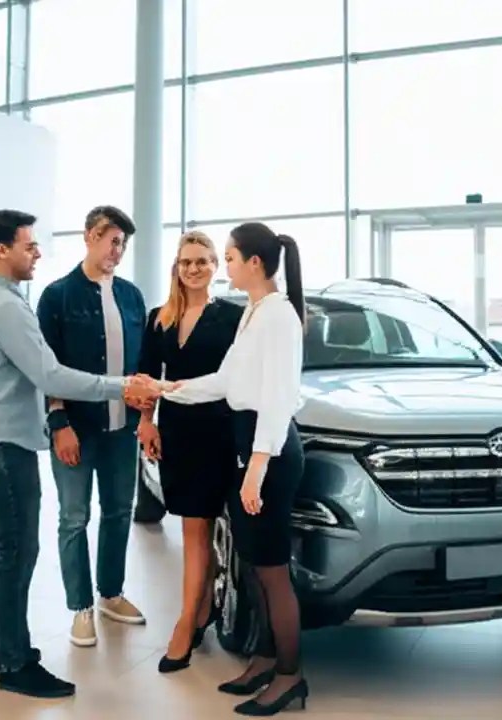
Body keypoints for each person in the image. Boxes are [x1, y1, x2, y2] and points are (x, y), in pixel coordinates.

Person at [0, 209, 163, 699]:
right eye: (28, 245)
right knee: (16, 554)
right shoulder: (9, 306)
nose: (37, 253)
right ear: (1, 250)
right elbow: (49, 375)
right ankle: (16, 663)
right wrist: (120, 387)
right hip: (5, 446)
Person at [162, 222, 309, 716]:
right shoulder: (255, 313)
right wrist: (169, 389)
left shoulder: (279, 317)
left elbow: (279, 397)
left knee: (271, 571)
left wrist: (256, 468)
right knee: (252, 564)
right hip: (248, 445)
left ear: (254, 263)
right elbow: (228, 381)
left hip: (268, 451)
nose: (221, 266)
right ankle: (266, 658)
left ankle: (290, 676)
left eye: (227, 257)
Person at [35, 205, 149, 648]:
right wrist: (58, 422)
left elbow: (139, 368)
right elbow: (47, 368)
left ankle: (110, 594)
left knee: (120, 511)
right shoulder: (57, 297)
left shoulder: (132, 297)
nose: (116, 250)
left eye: (122, 243)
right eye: (110, 240)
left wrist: (145, 419)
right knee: (74, 518)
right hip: (75, 429)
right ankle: (80, 607)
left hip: (123, 431)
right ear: (89, 236)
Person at [136, 231, 244, 674]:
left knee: (210, 526)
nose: (194, 269)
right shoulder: (159, 317)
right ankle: (195, 616)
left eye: (202, 261)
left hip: (220, 429)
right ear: (176, 268)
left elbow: (240, 376)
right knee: (194, 528)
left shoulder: (233, 317)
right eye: (186, 262)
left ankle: (194, 617)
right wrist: (146, 422)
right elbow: (146, 375)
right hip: (177, 431)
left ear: (215, 266)